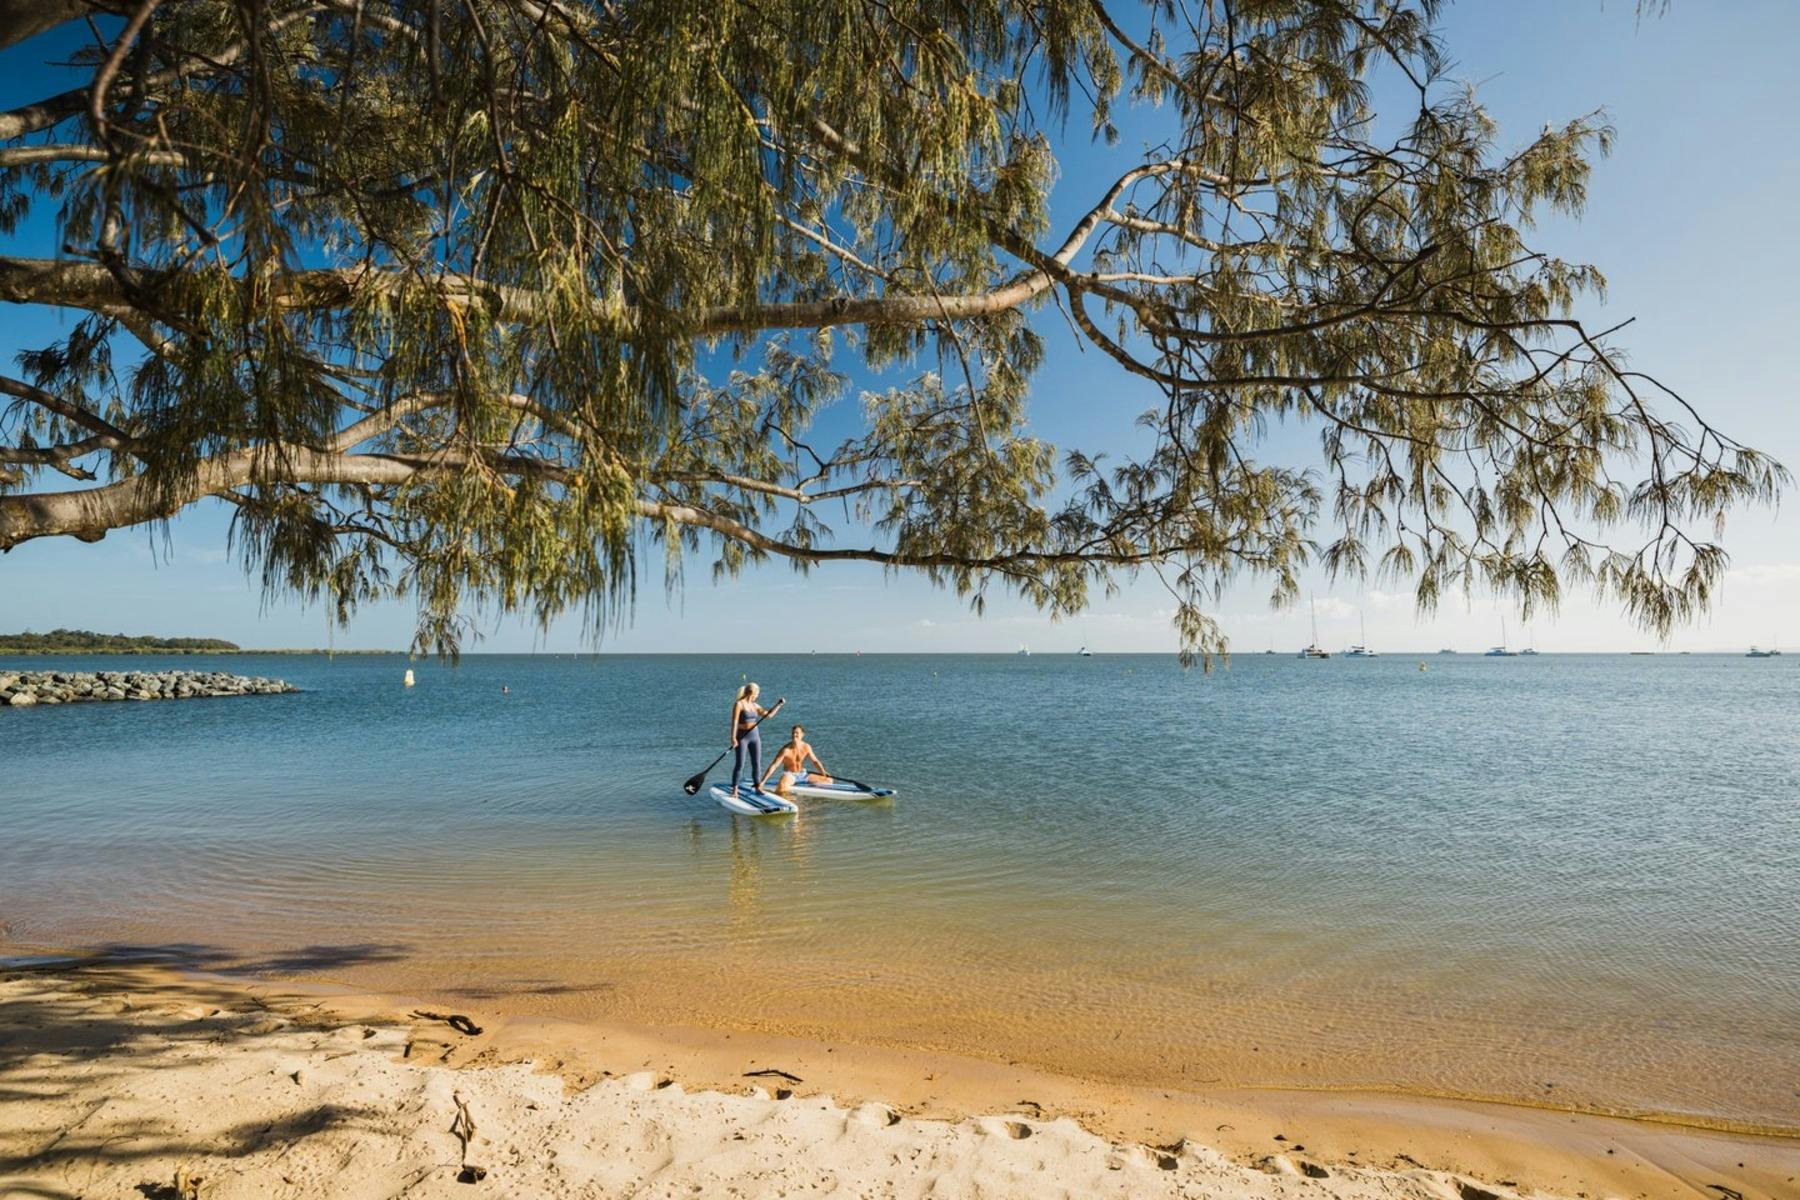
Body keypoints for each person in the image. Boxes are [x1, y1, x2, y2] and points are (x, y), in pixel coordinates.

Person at [728, 682, 784, 797]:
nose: (757, 696)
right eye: (757, 693)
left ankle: (758, 786)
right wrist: (733, 738)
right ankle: (735, 789)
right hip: (742, 737)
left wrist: (778, 705)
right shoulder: (739, 704)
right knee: (740, 764)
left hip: (754, 736)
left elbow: (768, 715)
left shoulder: (755, 705)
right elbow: (734, 722)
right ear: (752, 692)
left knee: (756, 763)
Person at [761, 724, 833, 794]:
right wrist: (762, 782)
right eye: (793, 733)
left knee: (829, 781)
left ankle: (810, 795)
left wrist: (823, 772)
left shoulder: (806, 747)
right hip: (790, 775)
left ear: (802, 735)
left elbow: (815, 761)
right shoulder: (786, 750)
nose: (794, 735)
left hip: (802, 774)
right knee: (781, 788)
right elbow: (774, 766)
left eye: (797, 733)